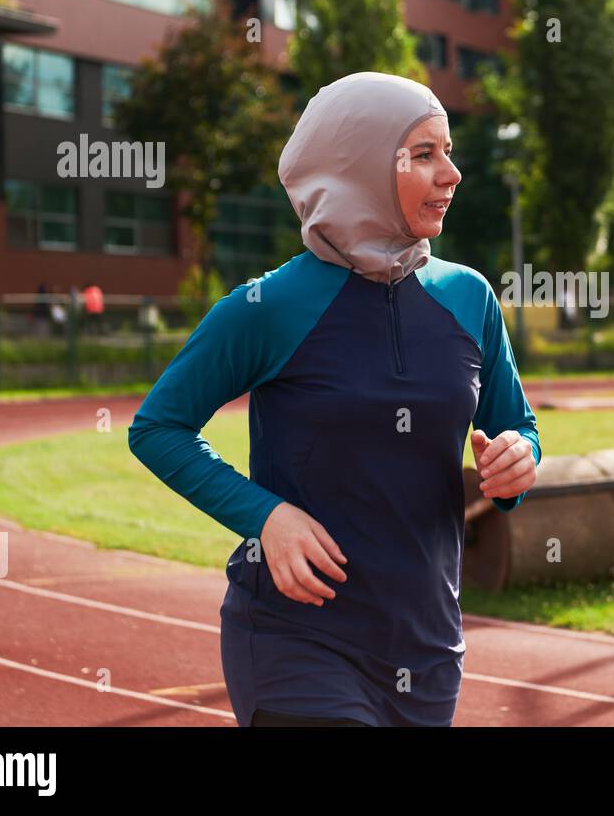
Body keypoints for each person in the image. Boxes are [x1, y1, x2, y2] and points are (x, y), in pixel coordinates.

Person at [128, 72, 541, 727]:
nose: (453, 174)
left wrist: (518, 460)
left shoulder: (470, 298)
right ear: (361, 165)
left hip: (427, 648)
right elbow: (159, 427)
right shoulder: (268, 306)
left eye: (449, 150)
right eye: (425, 154)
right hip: (298, 641)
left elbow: (513, 426)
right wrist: (264, 517)